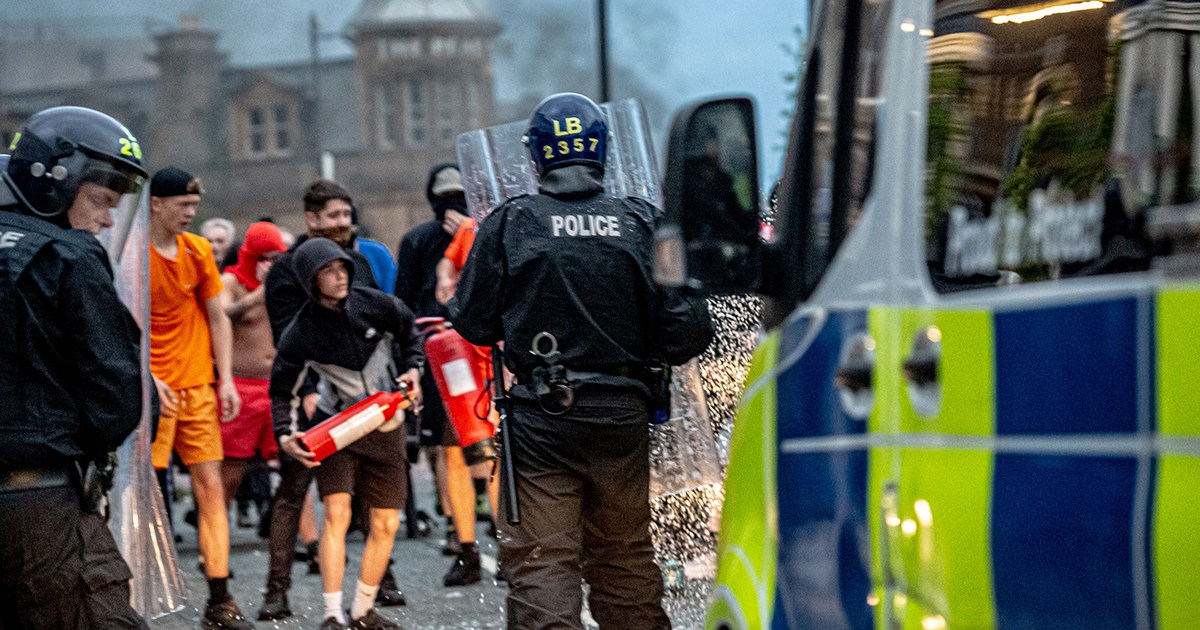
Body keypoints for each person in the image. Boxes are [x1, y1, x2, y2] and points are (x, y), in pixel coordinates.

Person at [450, 93, 715, 629]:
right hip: (623, 417)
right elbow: (690, 332)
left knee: (543, 561)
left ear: (537, 156)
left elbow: (474, 323)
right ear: (602, 152)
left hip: (542, 417)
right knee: (624, 557)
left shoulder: (510, 223)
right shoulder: (642, 222)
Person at [0, 106, 149, 628]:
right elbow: (115, 394)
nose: (108, 219)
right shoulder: (70, 257)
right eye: (102, 200)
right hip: (38, 505)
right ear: (52, 182)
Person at [262, 179, 405, 619]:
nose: (343, 223)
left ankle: (375, 587)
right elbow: (288, 334)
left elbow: (376, 318)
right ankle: (277, 589)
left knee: (368, 499)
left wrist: (399, 382)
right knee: (294, 493)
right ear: (312, 219)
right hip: (314, 394)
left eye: (347, 215)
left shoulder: (357, 261)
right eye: (334, 216)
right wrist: (304, 392)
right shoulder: (287, 271)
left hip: (369, 401)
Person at [147, 166, 252, 629]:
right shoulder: (132, 255)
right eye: (182, 206)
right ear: (155, 203)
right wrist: (145, 379)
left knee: (210, 489)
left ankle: (220, 597)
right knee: (150, 495)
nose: (190, 213)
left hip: (196, 387)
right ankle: (139, 596)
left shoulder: (198, 250)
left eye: (194, 206)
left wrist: (224, 378)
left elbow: (217, 316)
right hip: (153, 392)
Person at [394, 164, 482, 584]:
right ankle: (462, 537)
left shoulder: (485, 232)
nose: (452, 207)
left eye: (459, 197)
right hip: (442, 355)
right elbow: (405, 303)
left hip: (486, 352)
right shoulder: (418, 241)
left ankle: (498, 536)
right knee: (450, 447)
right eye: (445, 198)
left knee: (494, 450)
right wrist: (411, 356)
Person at [217, 221, 288, 534]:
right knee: (232, 470)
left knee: (293, 464)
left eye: (277, 258)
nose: (271, 265)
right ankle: (215, 536)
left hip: (277, 384)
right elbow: (220, 316)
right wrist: (260, 293)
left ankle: (305, 542)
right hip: (242, 383)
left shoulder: (284, 281)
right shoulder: (231, 280)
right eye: (264, 257)